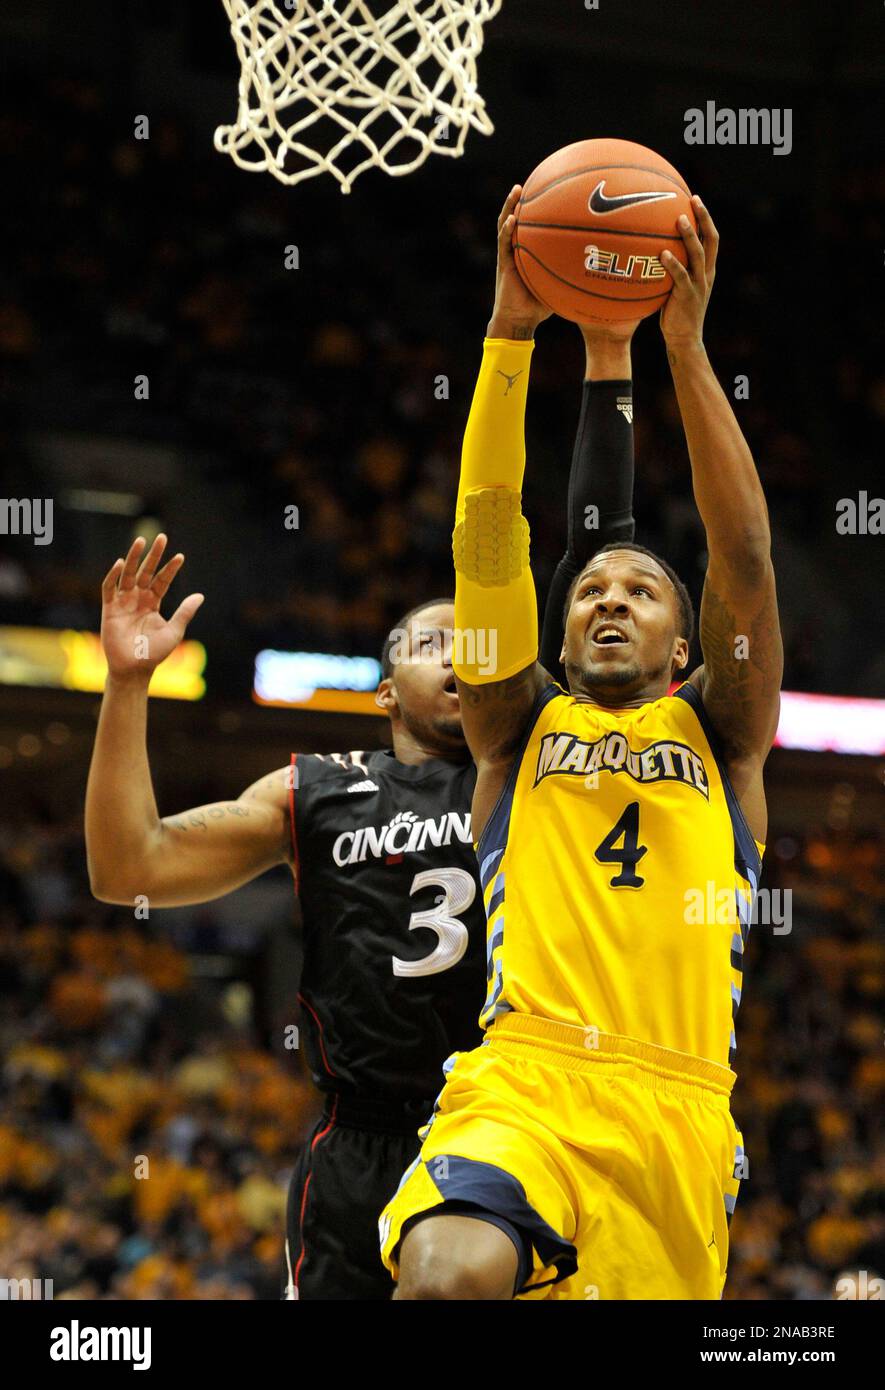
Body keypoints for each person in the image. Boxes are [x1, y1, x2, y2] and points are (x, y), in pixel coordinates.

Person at [84, 308, 640, 1299]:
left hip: (521, 1125)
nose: (463, 656)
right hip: (366, 1140)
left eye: (477, 640)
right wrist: (127, 689)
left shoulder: (547, 768)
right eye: (435, 645)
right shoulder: (321, 787)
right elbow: (129, 866)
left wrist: (606, 358)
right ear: (385, 690)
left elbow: (588, 543)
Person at [381, 186, 783, 1300]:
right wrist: (509, 338)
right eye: (592, 587)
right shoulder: (516, 724)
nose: (611, 597)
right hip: (529, 1079)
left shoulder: (724, 732)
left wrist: (684, 354)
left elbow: (743, 554)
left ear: (682, 633)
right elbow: (488, 540)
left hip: (681, 1111)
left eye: (644, 589)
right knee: (447, 1267)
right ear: (559, 629)